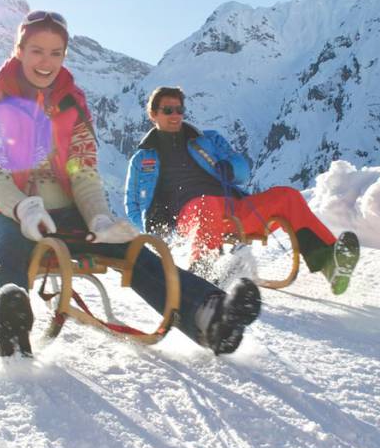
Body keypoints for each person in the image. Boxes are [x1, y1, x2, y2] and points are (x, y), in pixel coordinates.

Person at [0, 13, 261, 357]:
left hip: (64, 210)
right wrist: (25, 209)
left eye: (55, 53)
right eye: (36, 51)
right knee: (12, 246)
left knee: (130, 250)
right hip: (3, 208)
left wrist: (98, 218)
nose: (46, 62)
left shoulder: (71, 103)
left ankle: (209, 314)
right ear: (18, 51)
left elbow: (82, 169)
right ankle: (7, 321)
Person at [124, 86, 360, 295]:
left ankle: (331, 264)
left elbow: (242, 169)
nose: (175, 115)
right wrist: (156, 227)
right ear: (153, 114)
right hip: (187, 218)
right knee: (206, 204)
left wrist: (231, 167)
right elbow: (132, 204)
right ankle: (202, 276)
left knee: (287, 196)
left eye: (179, 109)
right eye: (168, 110)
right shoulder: (143, 158)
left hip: (232, 209)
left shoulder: (208, 140)